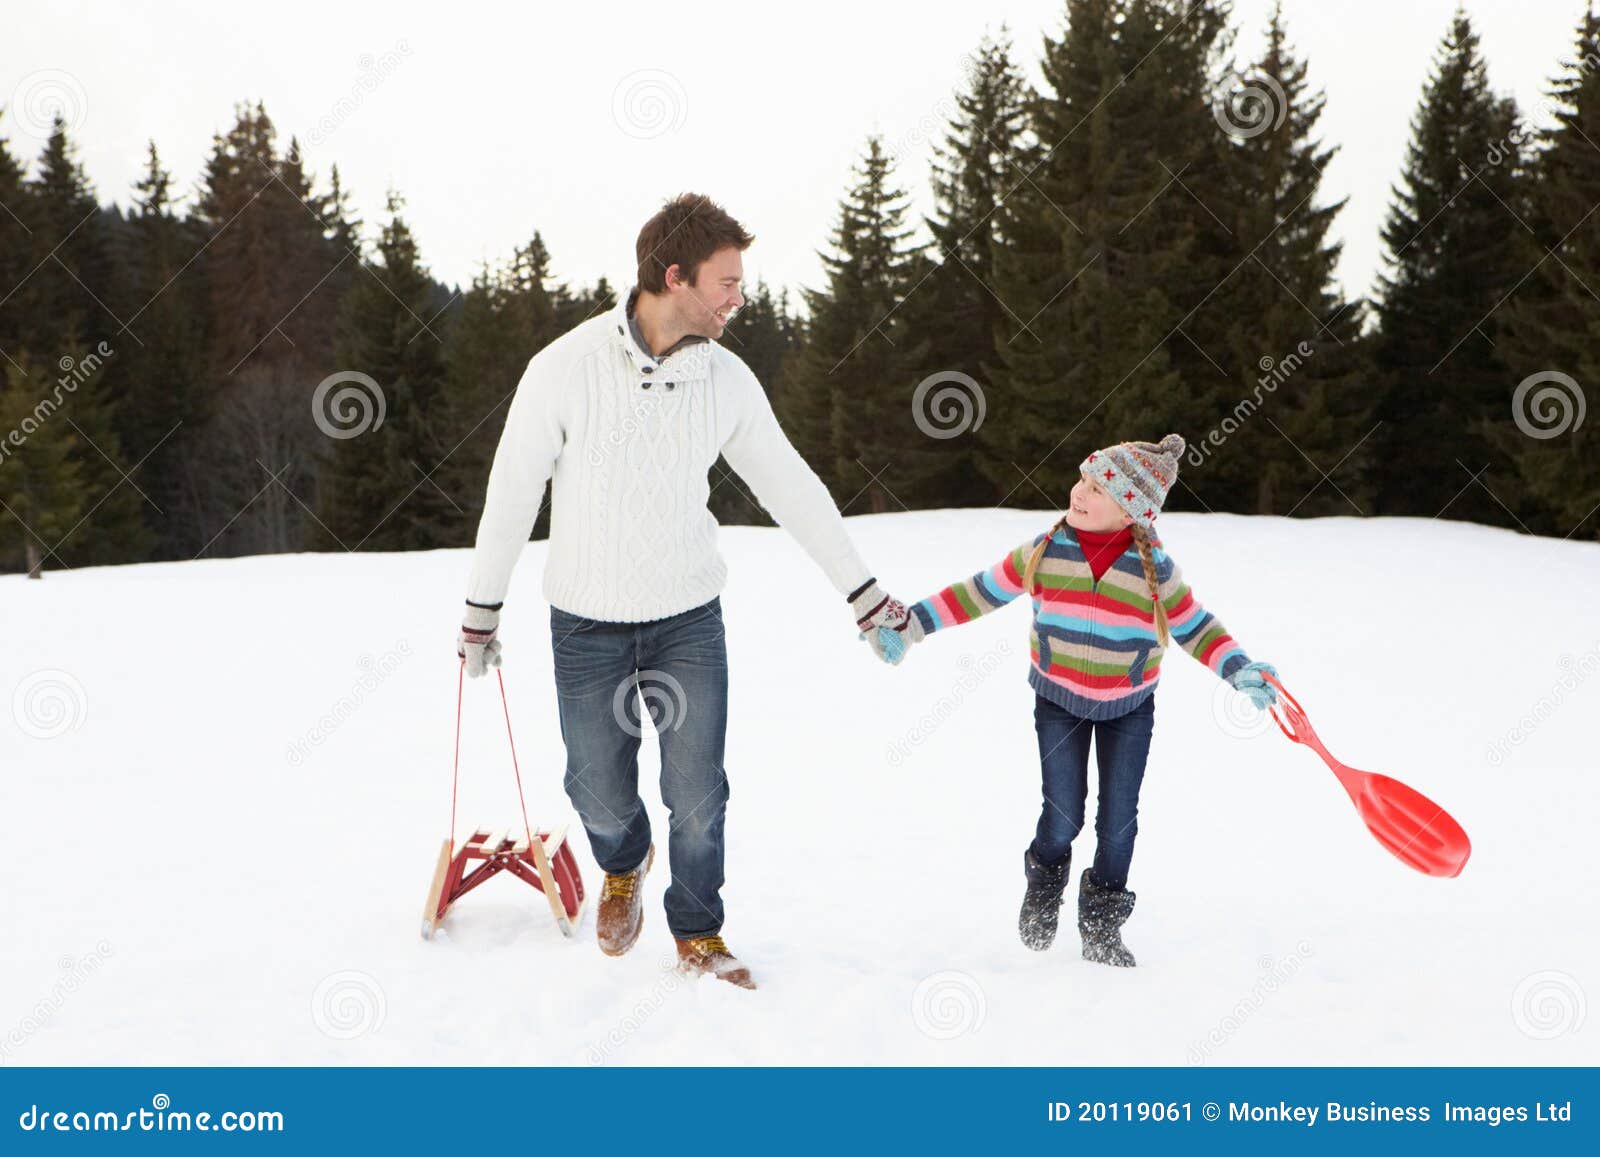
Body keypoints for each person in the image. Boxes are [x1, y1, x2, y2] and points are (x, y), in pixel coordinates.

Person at [455, 193, 914, 989]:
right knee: (595, 787)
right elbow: (511, 494)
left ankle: (700, 931)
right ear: (675, 277)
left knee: (698, 792)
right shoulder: (563, 369)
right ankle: (624, 862)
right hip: (586, 621)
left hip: (688, 618)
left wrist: (863, 591)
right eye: (726, 281)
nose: (740, 296)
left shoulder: (725, 380)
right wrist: (480, 611)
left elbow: (792, 487)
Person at [869, 434, 1278, 966]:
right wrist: (914, 622)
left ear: (1131, 509)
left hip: (1128, 709)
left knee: (1118, 822)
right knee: (1063, 814)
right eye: (1082, 480)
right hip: (1057, 703)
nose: (1079, 493)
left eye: (1096, 489)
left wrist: (1240, 668)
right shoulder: (1044, 551)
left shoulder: (1153, 568)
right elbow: (978, 592)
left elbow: (1196, 627)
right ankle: (1043, 887)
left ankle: (1102, 925)